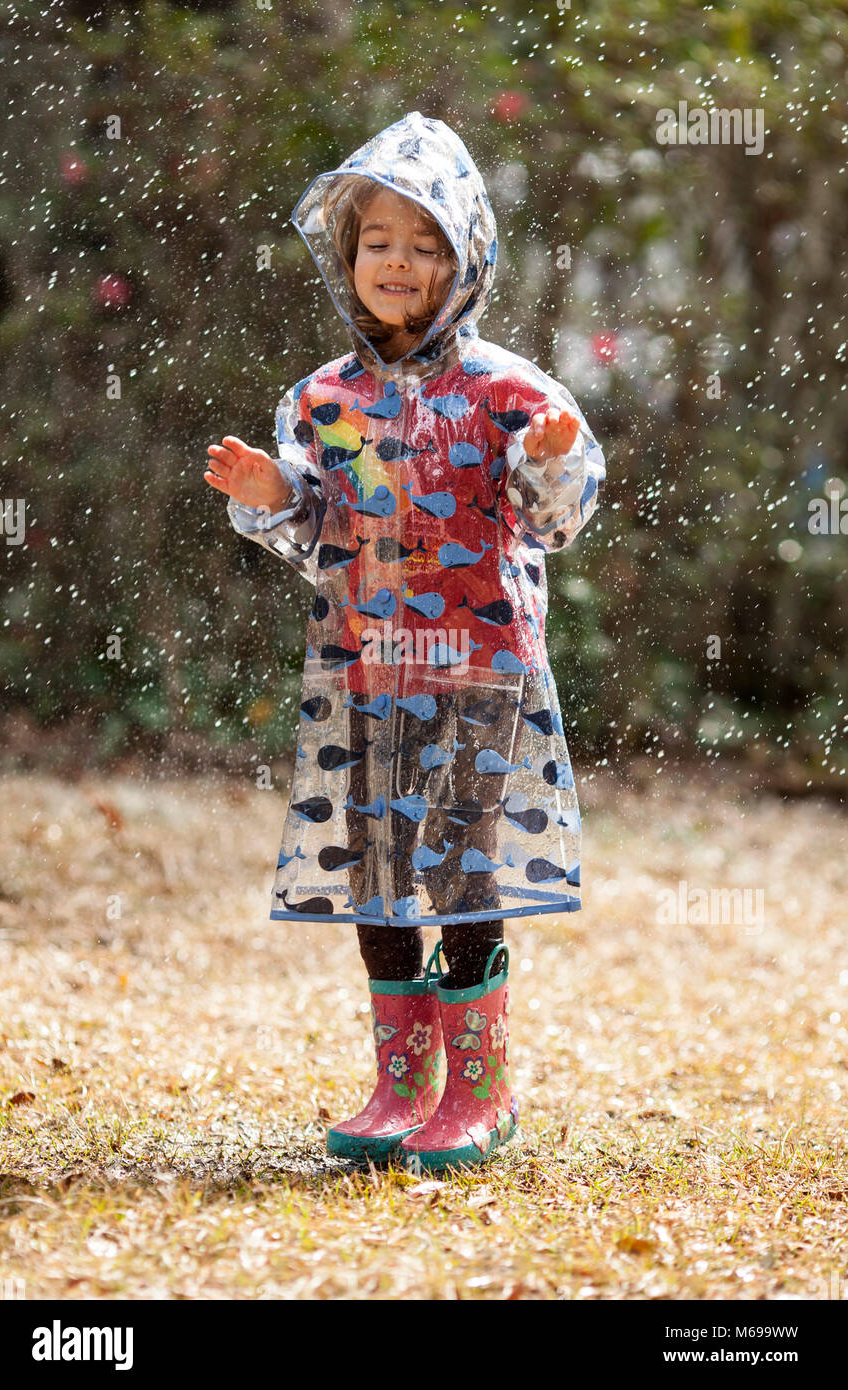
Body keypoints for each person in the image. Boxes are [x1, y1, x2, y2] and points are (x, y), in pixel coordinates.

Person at [204, 111, 606, 1173]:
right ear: (346, 257)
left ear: (461, 262)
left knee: (459, 864)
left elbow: (551, 516)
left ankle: (480, 1088)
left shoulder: (510, 392)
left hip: (481, 668)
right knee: (374, 862)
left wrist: (558, 456)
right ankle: (402, 1083)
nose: (398, 262)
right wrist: (270, 490)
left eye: (424, 245)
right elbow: (316, 529)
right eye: (378, 241)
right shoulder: (324, 399)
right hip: (364, 670)